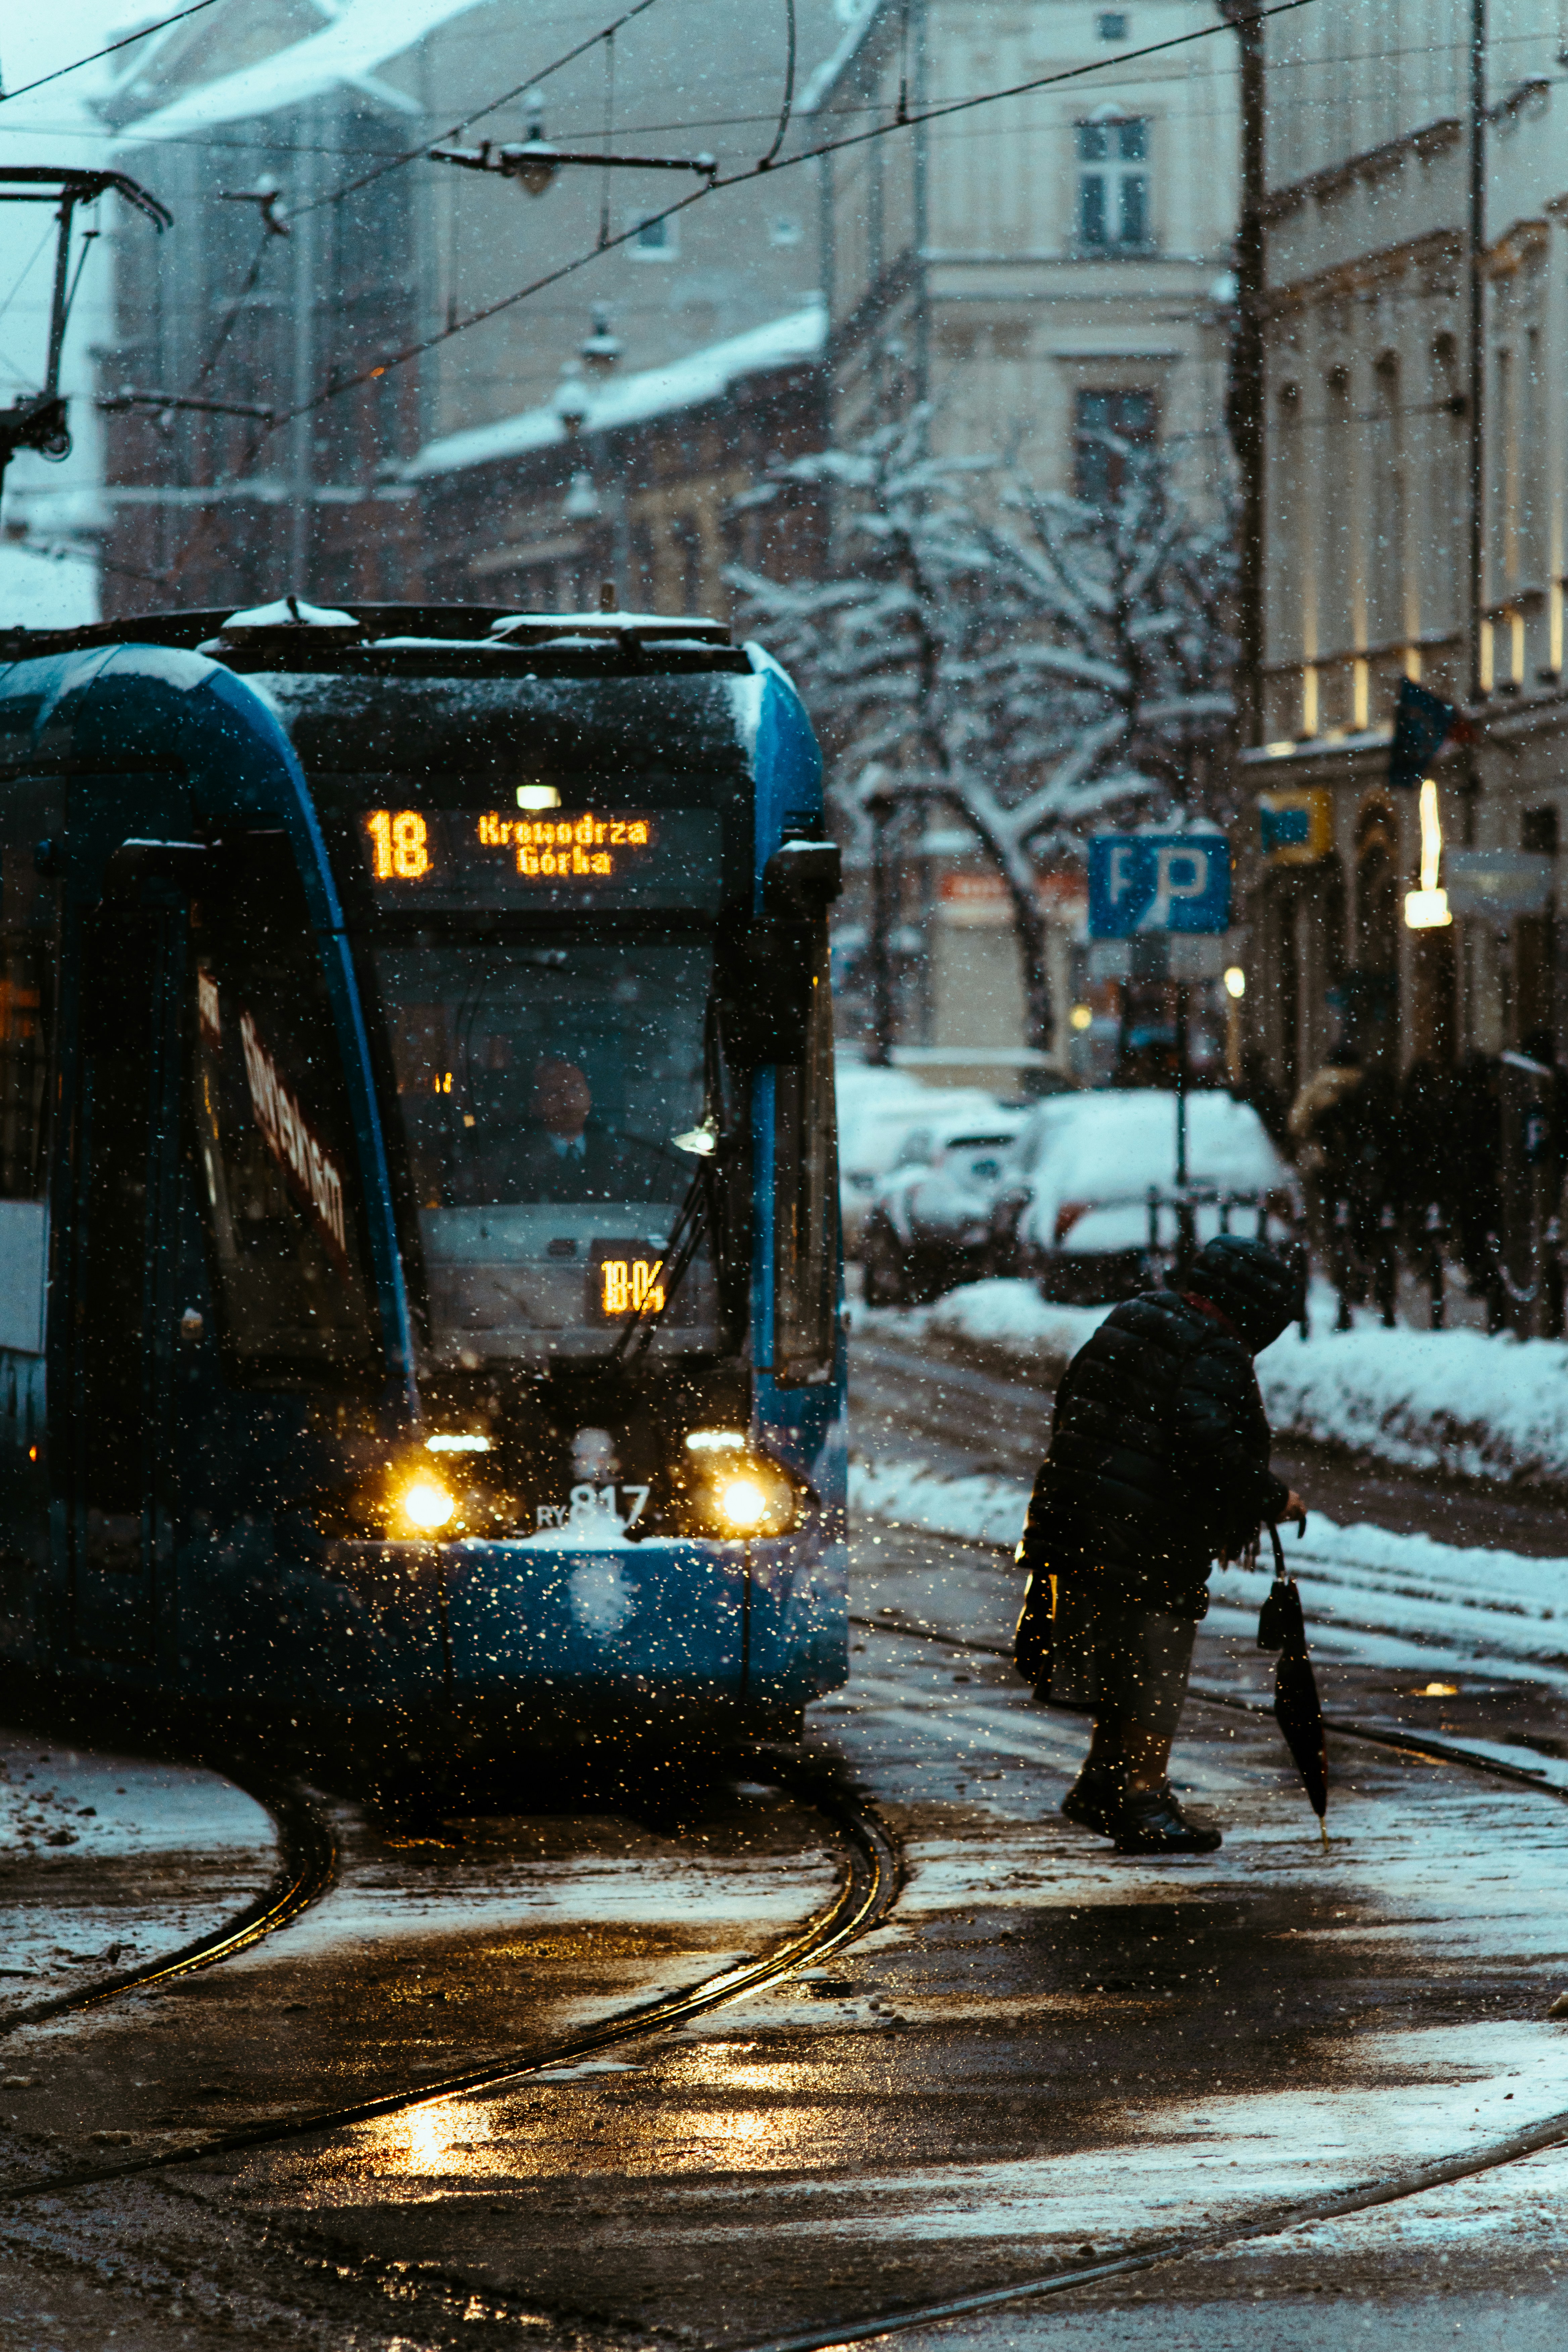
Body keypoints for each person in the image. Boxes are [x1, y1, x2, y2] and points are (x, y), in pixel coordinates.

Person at [1013, 1234, 1304, 1855]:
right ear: (1252, 1312)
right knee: (1154, 1669)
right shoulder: (1214, 1348)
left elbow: (1073, 1403)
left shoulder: (1136, 1315)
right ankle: (1141, 1797)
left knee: (1122, 1665)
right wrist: (1269, 1497)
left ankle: (1104, 1784)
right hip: (1147, 1535)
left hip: (1085, 1518)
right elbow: (1207, 1442)